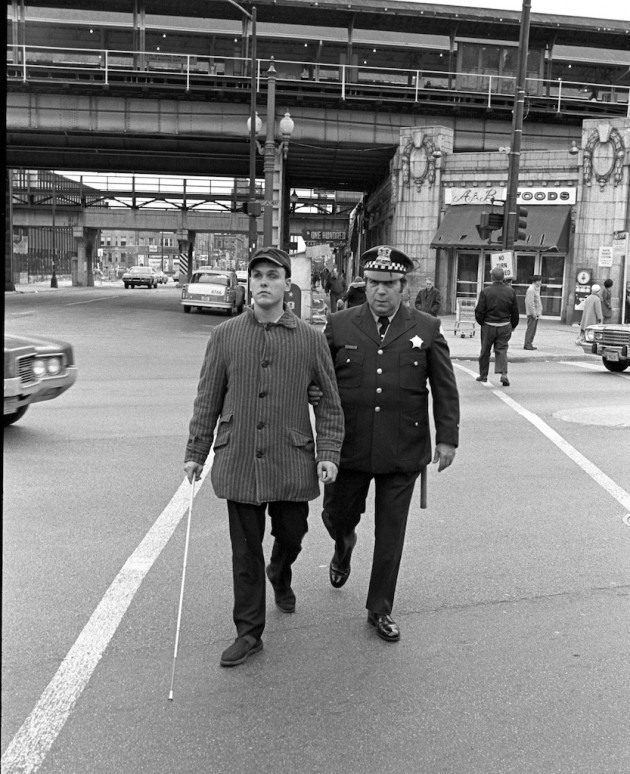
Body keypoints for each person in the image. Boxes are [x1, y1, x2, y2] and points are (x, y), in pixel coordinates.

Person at [184, 247, 345, 668]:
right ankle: (249, 631)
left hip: (291, 458)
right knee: (244, 550)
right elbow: (208, 397)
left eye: (272, 276)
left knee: (292, 533)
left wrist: (327, 452)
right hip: (238, 456)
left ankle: (281, 569)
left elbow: (328, 403)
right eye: (257, 276)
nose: (263, 283)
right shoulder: (225, 335)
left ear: (286, 285)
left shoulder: (310, 338)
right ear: (249, 284)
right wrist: (196, 452)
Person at [319, 245, 460, 644]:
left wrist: (447, 439)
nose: (380, 292)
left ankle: (379, 608)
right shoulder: (339, 324)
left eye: (389, 285)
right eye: (373, 284)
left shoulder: (427, 328)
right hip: (349, 447)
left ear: (403, 286)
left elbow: (445, 389)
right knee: (336, 515)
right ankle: (343, 545)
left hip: (403, 448)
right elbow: (320, 384)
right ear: (365, 285)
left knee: (391, 532)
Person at [475, 266, 519, 387]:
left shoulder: (485, 291)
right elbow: (514, 311)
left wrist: (482, 323)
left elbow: (479, 311)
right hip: (504, 325)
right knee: (502, 350)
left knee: (485, 351)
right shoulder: (510, 291)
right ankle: (503, 374)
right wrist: (513, 325)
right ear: (503, 278)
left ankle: (483, 375)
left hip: (489, 325)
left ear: (492, 277)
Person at [523, 274, 543, 350]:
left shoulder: (535, 289)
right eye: (540, 281)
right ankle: (527, 344)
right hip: (532, 314)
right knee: (531, 329)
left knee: (533, 330)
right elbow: (530, 302)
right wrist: (533, 313)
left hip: (535, 314)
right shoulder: (531, 290)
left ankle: (529, 343)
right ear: (536, 281)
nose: (541, 283)